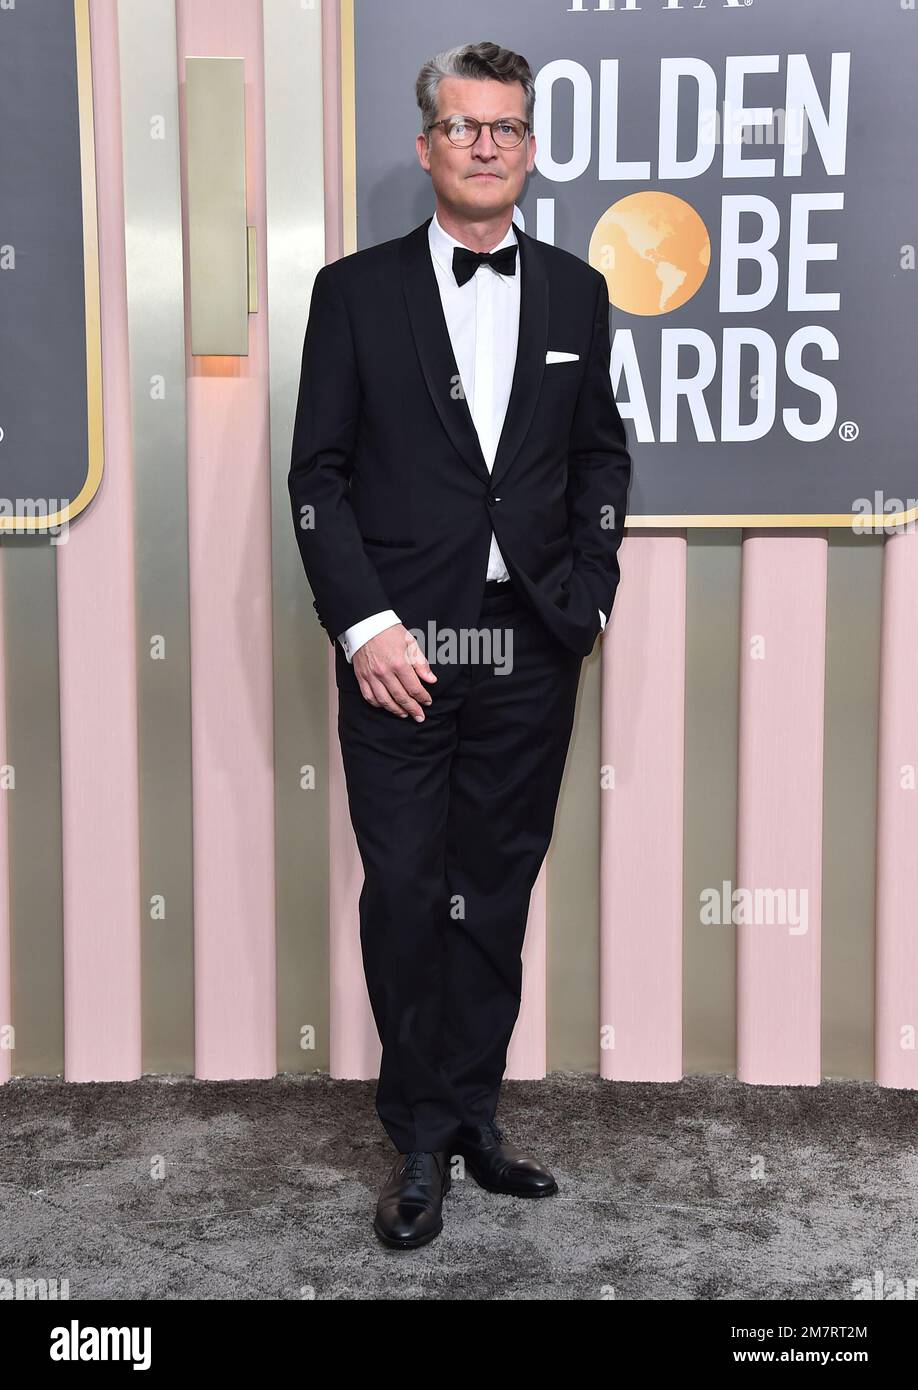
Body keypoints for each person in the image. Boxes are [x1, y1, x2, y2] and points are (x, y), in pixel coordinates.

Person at [288, 40, 631, 1249]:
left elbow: (601, 458)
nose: (487, 145)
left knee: (493, 888)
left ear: (530, 149)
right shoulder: (352, 292)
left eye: (509, 128)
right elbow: (317, 479)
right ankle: (417, 1134)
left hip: (528, 645)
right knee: (403, 891)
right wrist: (366, 624)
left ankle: (473, 1112)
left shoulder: (580, 293)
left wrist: (586, 595)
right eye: (464, 125)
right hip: (402, 643)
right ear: (428, 143)